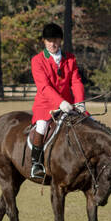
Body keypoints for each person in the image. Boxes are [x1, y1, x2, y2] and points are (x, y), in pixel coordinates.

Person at [28, 22, 87, 179]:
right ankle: (36, 163)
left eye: (55, 40)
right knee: (42, 126)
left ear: (60, 40)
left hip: (69, 105)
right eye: (49, 40)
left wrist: (80, 102)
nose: (52, 44)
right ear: (44, 41)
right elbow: (44, 87)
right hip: (46, 105)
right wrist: (60, 102)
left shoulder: (70, 58)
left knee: (90, 121)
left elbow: (76, 81)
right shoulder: (37, 60)